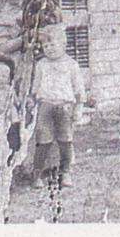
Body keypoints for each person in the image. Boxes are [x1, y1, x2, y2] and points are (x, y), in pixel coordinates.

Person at [30, 24, 86, 188]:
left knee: (65, 140)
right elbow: (35, 86)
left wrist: (78, 107)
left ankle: (66, 172)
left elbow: (79, 89)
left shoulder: (71, 65)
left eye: (52, 44)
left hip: (65, 106)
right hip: (45, 106)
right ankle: (37, 173)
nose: (49, 48)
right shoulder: (41, 65)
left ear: (63, 44)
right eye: (45, 46)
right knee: (43, 140)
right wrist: (32, 102)